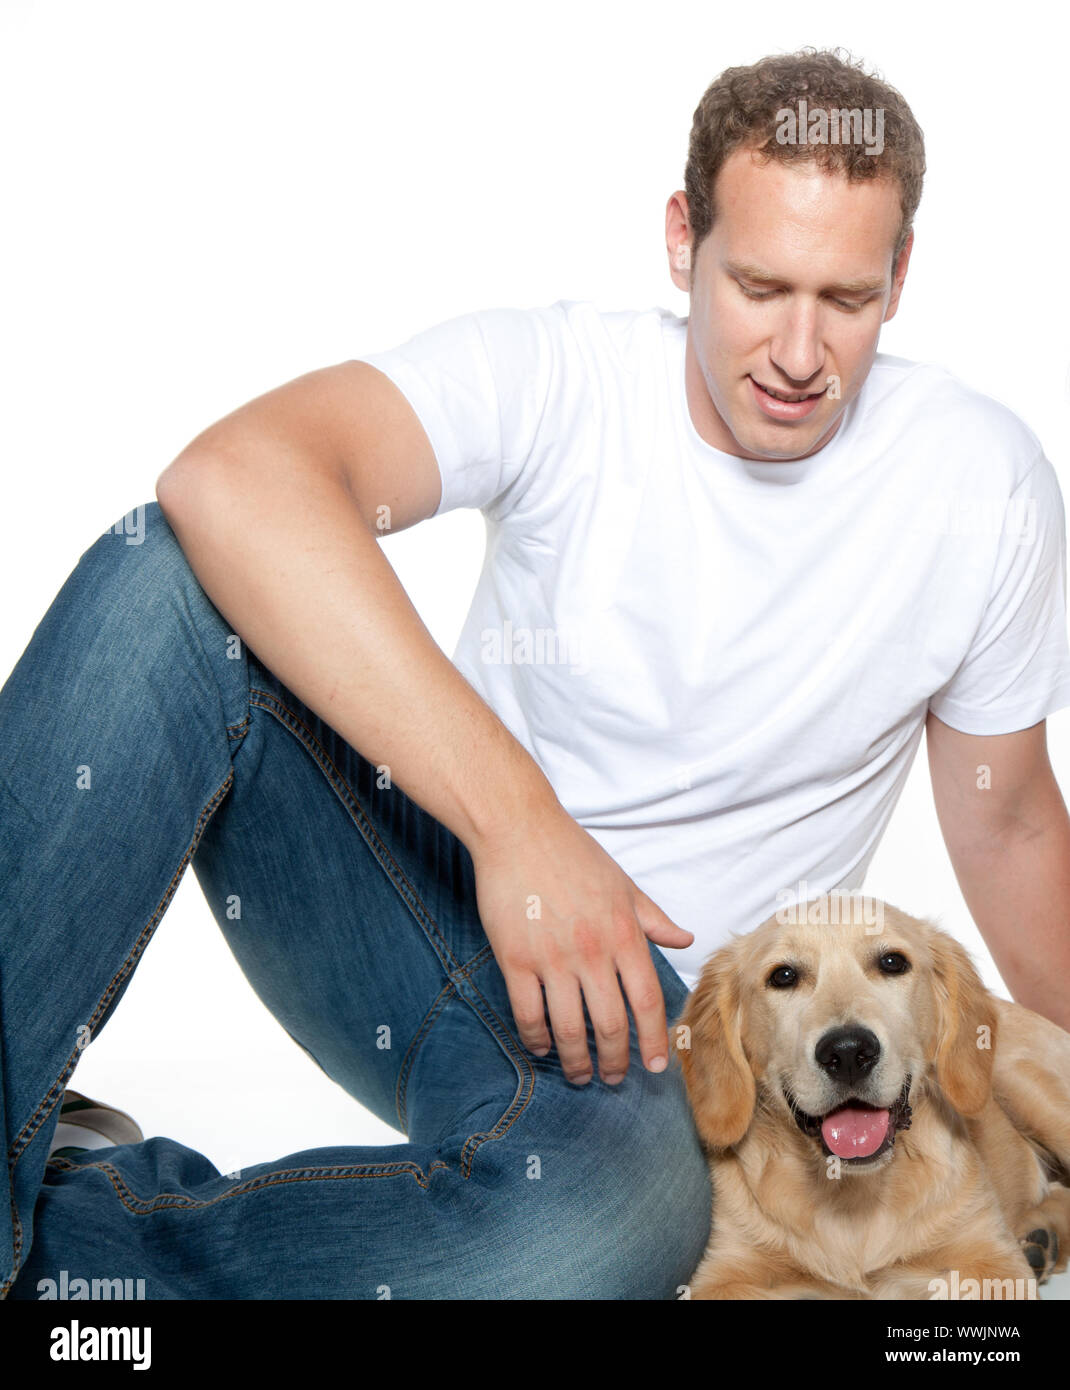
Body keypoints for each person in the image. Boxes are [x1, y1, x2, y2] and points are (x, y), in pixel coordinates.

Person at [3, 46, 1070, 1301]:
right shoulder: (559, 375)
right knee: (168, 578)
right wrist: (522, 826)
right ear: (682, 241)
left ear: (899, 277)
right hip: (425, 899)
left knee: (599, 1235)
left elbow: (1004, 821)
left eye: (842, 298)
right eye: (758, 284)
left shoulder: (978, 483)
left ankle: (75, 1244)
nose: (795, 349)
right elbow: (233, 478)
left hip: (649, 1054)